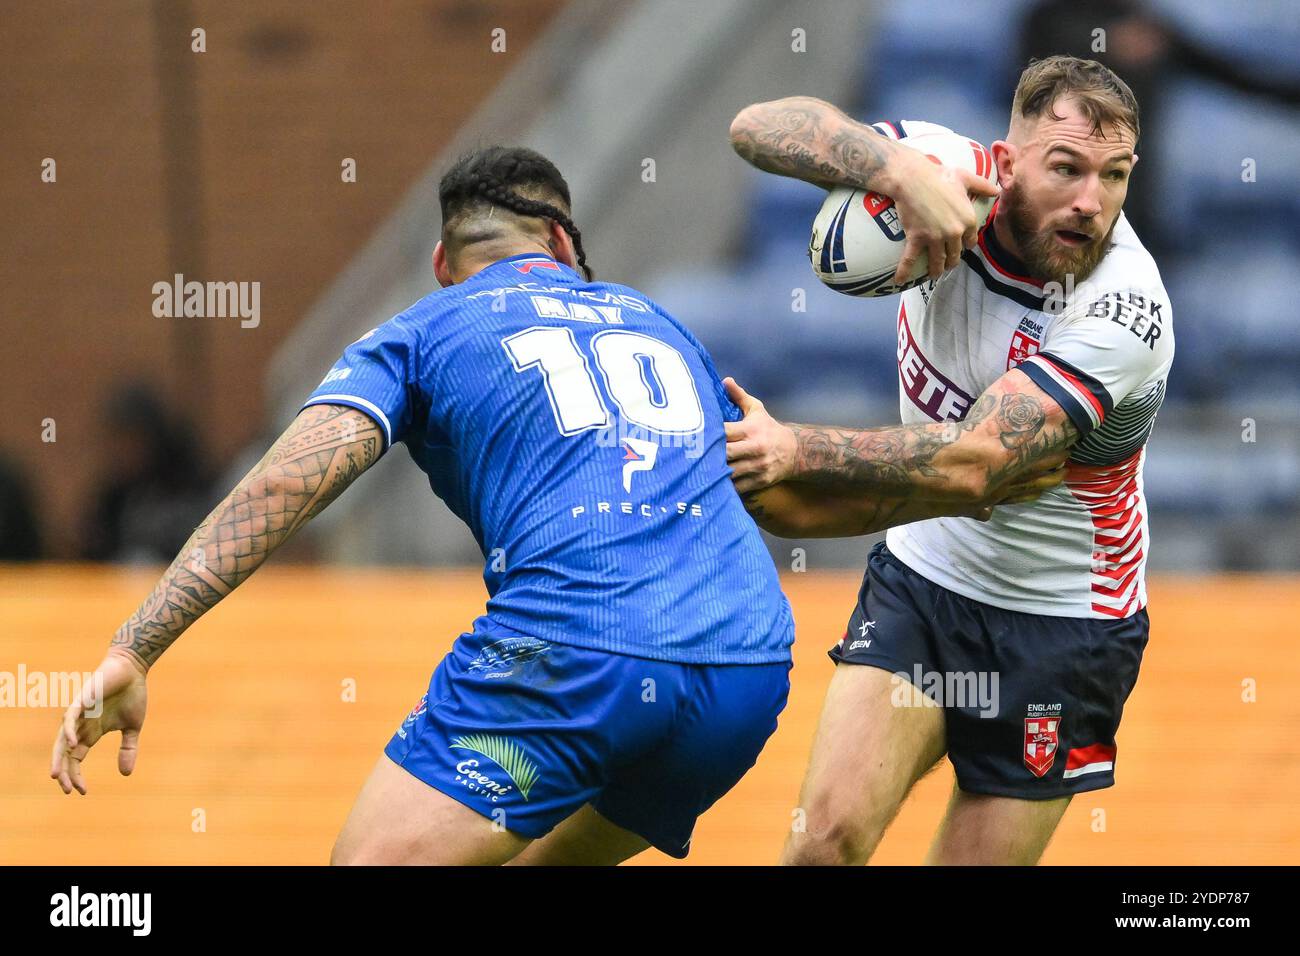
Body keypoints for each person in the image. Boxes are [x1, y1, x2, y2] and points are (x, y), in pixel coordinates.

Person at [53, 146, 807, 865]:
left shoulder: (426, 327)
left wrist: (137, 644)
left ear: (444, 265)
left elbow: (282, 484)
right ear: (561, 242)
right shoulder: (661, 322)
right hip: (748, 666)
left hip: (577, 649)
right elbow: (776, 490)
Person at [727, 55, 1174, 864]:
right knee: (819, 847)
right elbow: (755, 127)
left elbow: (975, 465)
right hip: (926, 582)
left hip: (1066, 623)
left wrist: (796, 449)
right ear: (1006, 163)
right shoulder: (948, 170)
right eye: (1066, 167)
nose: (1090, 201)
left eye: (1114, 176)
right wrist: (894, 166)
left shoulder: (1127, 309)